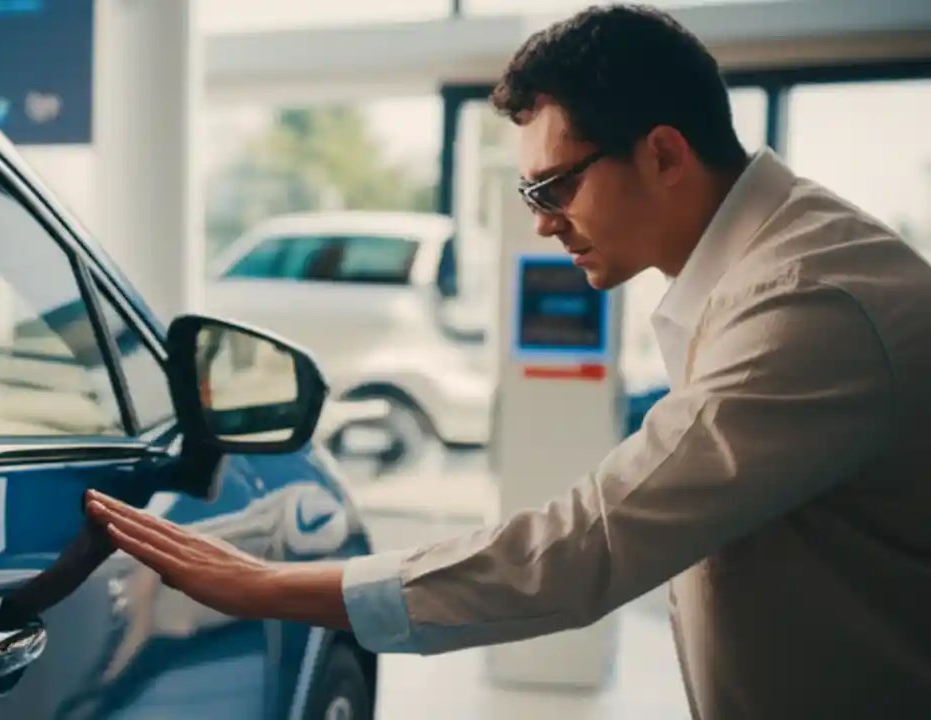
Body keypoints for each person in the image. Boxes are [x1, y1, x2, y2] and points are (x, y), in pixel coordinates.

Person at [87, 5, 931, 718]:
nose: (541, 223)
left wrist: (269, 588)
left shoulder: (805, 301)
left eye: (553, 188)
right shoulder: (772, 269)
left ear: (664, 154)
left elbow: (585, 547)